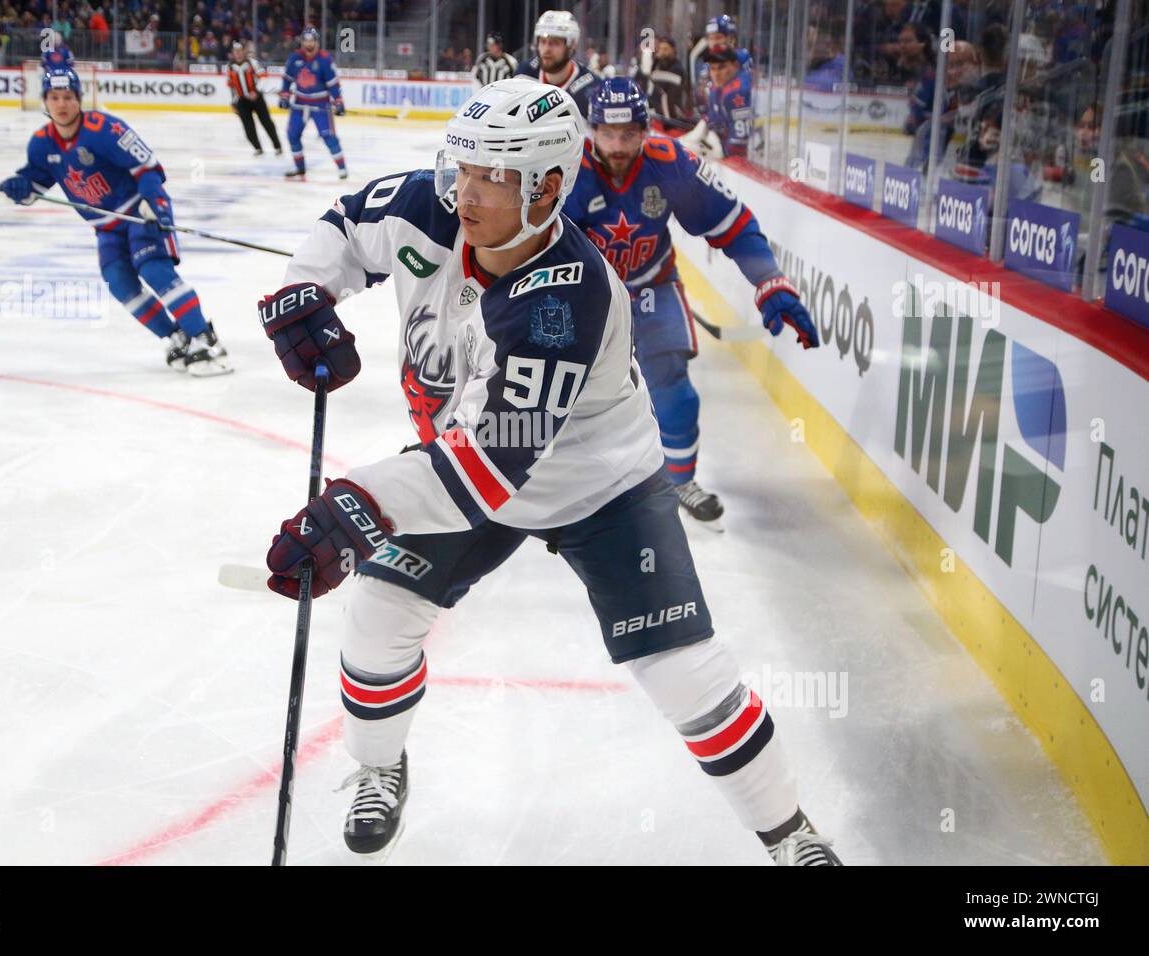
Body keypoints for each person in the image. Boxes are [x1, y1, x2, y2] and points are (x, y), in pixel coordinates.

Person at [254, 78, 840, 865]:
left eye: (495, 176)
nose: (468, 192)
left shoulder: (563, 296)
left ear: (549, 187)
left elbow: (490, 468)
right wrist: (302, 290)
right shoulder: (431, 202)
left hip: (597, 487)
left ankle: (788, 831)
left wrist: (352, 505)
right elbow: (347, 225)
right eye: (463, 167)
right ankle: (380, 764)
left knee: (687, 675)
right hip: (462, 461)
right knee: (379, 619)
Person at [564, 77, 818, 523]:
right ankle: (556, 475)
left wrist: (769, 280)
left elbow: (732, 225)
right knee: (560, 390)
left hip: (651, 286)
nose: (618, 145)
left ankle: (678, 481)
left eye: (629, 134)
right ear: (592, 129)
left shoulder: (671, 164)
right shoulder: (568, 171)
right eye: (607, 133)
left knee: (674, 391)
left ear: (646, 130)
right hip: (584, 296)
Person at [0, 67, 231, 376]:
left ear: (79, 98)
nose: (62, 104)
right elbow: (34, 187)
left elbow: (148, 168)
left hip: (140, 209)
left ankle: (205, 338)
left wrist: (154, 206)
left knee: (154, 269)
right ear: (44, 100)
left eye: (68, 96)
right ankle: (179, 337)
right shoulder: (42, 144)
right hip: (104, 225)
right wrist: (19, 187)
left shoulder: (104, 129)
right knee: (120, 283)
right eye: (54, 97)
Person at [278, 26, 347, 181]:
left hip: (320, 105)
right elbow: (287, 79)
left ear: (317, 42)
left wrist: (338, 101)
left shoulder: (324, 59)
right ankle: (300, 169)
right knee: (292, 135)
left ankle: (342, 168)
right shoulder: (295, 58)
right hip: (300, 104)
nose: (309, 44)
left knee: (328, 136)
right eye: (306, 41)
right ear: (302, 42)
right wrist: (284, 96)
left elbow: (333, 83)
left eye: (312, 41)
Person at [515, 9, 601, 117]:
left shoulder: (591, 88)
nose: (546, 49)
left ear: (572, 45)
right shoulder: (524, 74)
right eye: (542, 41)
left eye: (555, 43)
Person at [226, 41, 283, 156]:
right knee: (248, 127)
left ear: (244, 51)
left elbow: (263, 77)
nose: (238, 53)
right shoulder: (229, 67)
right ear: (233, 53)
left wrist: (256, 91)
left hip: (257, 99)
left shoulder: (253, 63)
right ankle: (258, 148)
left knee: (267, 122)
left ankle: (277, 146)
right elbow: (231, 86)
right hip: (242, 101)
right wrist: (233, 103)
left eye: (240, 51)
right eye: (235, 51)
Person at [634, 33, 696, 136]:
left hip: (671, 118)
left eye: (666, 49)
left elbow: (662, 87)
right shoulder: (658, 65)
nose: (662, 53)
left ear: (673, 50)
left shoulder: (677, 69)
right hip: (656, 116)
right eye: (661, 49)